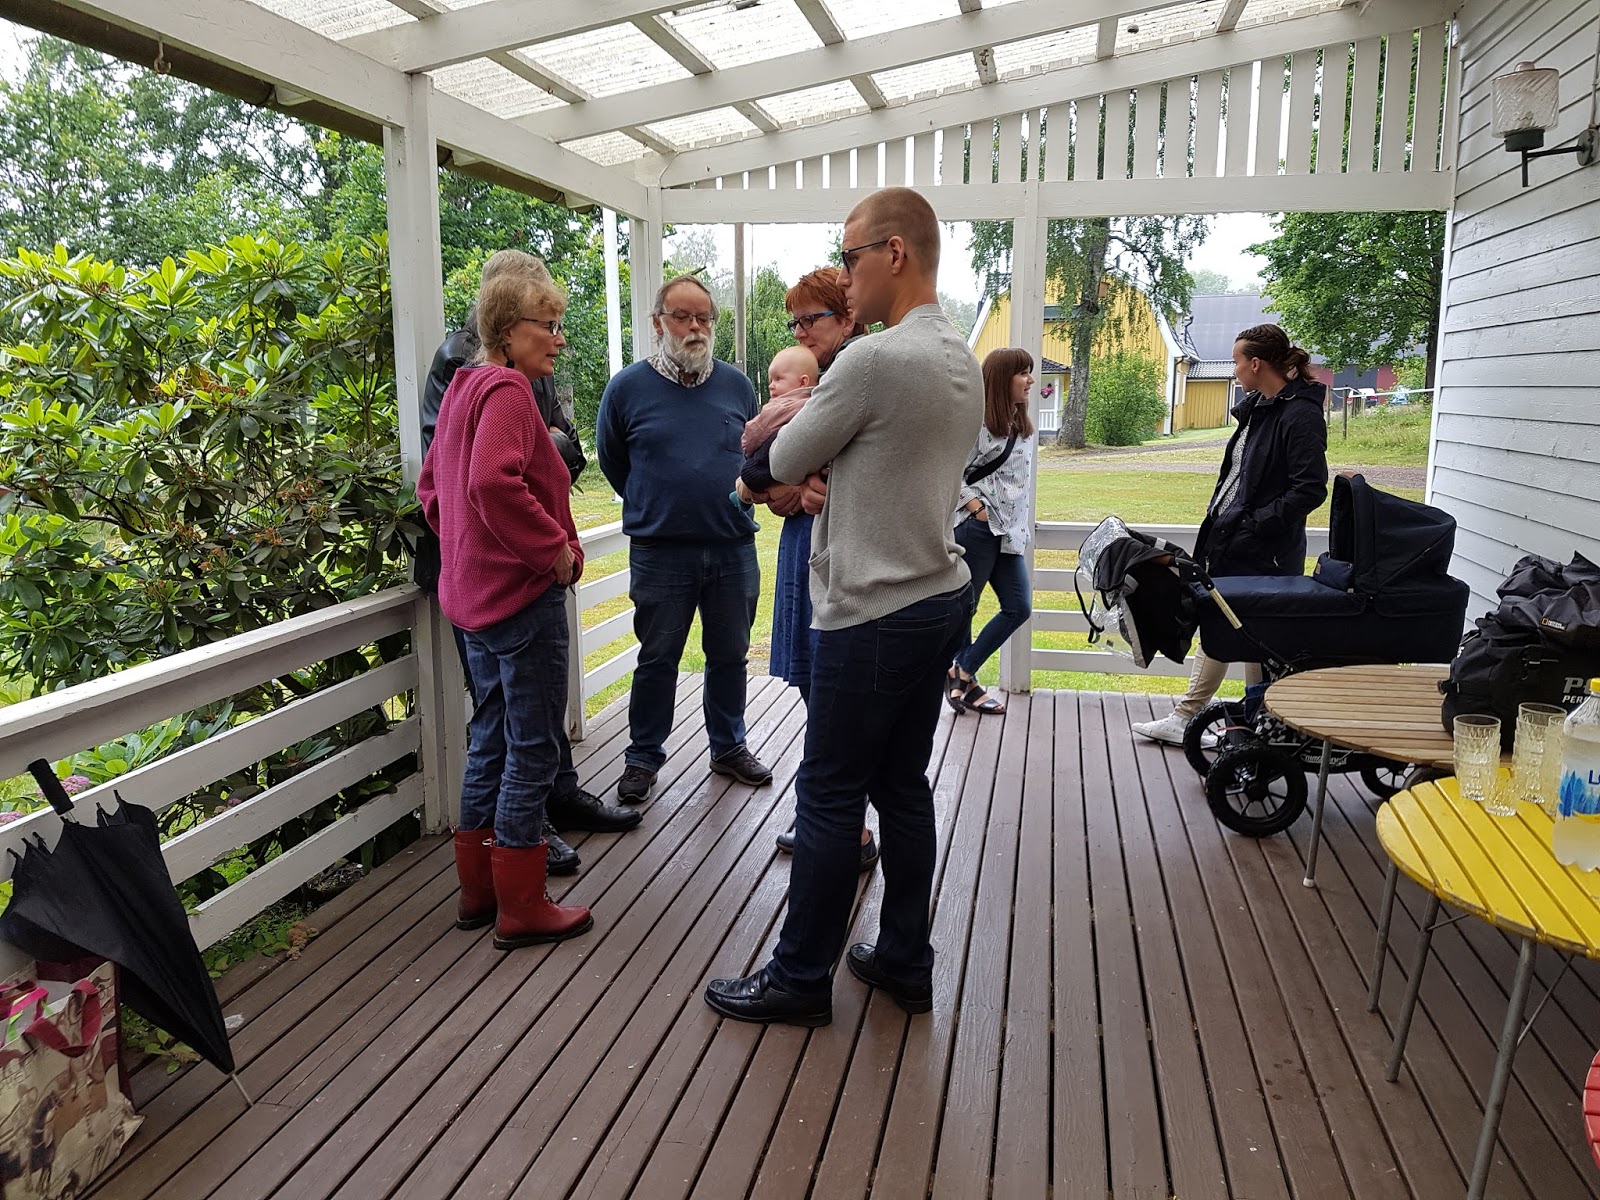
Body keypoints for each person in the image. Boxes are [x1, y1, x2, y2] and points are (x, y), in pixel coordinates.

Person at [704, 187, 982, 1027]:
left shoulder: (870, 361)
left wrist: (798, 472)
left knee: (827, 796)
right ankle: (905, 957)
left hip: (869, 610)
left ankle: (797, 978)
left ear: (895, 253)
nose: (847, 273)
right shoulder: (961, 358)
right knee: (903, 787)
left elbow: (783, 456)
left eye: (852, 253)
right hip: (938, 598)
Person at [417, 251, 640, 874]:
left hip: (474, 597)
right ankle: (520, 897)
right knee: (534, 748)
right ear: (510, 329)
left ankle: (476, 888)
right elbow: (492, 484)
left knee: (489, 738)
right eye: (549, 324)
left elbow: (433, 487)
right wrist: (556, 555)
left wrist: (463, 546)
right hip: (519, 596)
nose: (560, 338)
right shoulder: (510, 390)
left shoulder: (464, 385)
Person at [595, 275, 772, 804]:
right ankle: (643, 758)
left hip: (732, 547)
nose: (696, 327)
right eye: (682, 316)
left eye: (704, 317)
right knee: (657, 659)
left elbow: (756, 456)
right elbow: (613, 462)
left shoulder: (738, 387)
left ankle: (728, 746)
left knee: (729, 656)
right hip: (661, 553)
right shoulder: (626, 389)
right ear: (657, 323)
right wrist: (661, 506)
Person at [1131, 323, 1330, 746]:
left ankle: (1220, 719)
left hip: (1264, 551)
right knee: (1236, 627)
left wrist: (1255, 526)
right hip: (1232, 542)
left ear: (1256, 363)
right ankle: (1245, 721)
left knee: (1252, 632)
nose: (1235, 369)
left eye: (1238, 361)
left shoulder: (1300, 415)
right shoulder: (1261, 408)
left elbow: (1310, 489)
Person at [947, 348, 1037, 717]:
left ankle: (962, 671)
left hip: (1009, 534)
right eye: (1023, 373)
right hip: (980, 531)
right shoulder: (977, 425)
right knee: (965, 610)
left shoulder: (1021, 424)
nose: (1031, 380)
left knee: (1018, 607)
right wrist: (976, 509)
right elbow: (949, 469)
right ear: (1002, 379)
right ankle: (969, 684)